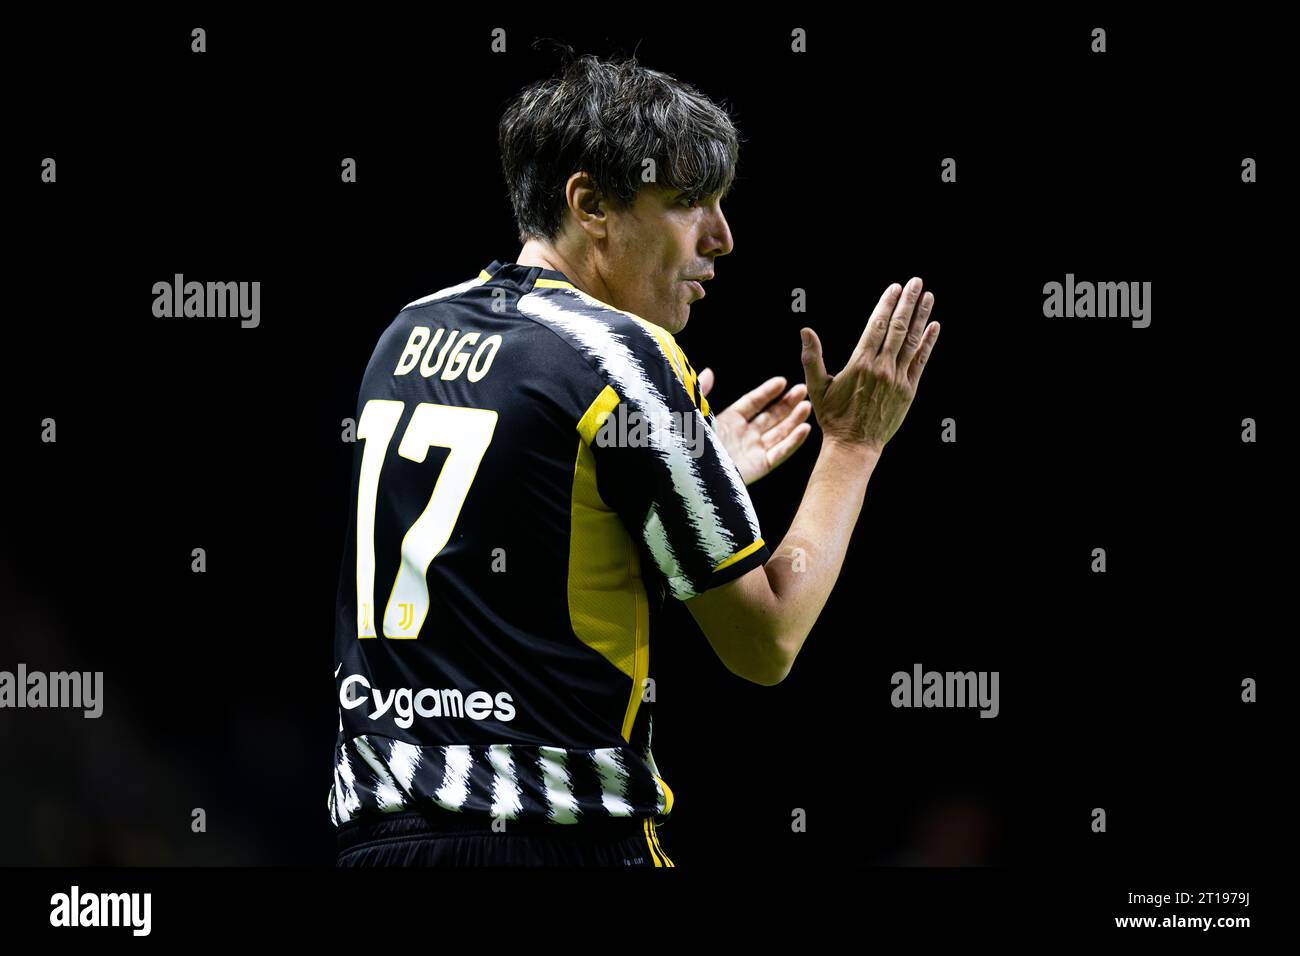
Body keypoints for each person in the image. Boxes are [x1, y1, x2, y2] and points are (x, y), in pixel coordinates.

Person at [331, 52, 939, 867]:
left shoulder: (405, 332)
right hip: (559, 843)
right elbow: (767, 642)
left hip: (379, 843)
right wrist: (855, 448)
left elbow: (509, 556)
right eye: (689, 202)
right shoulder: (623, 358)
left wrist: (681, 476)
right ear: (590, 205)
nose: (721, 237)